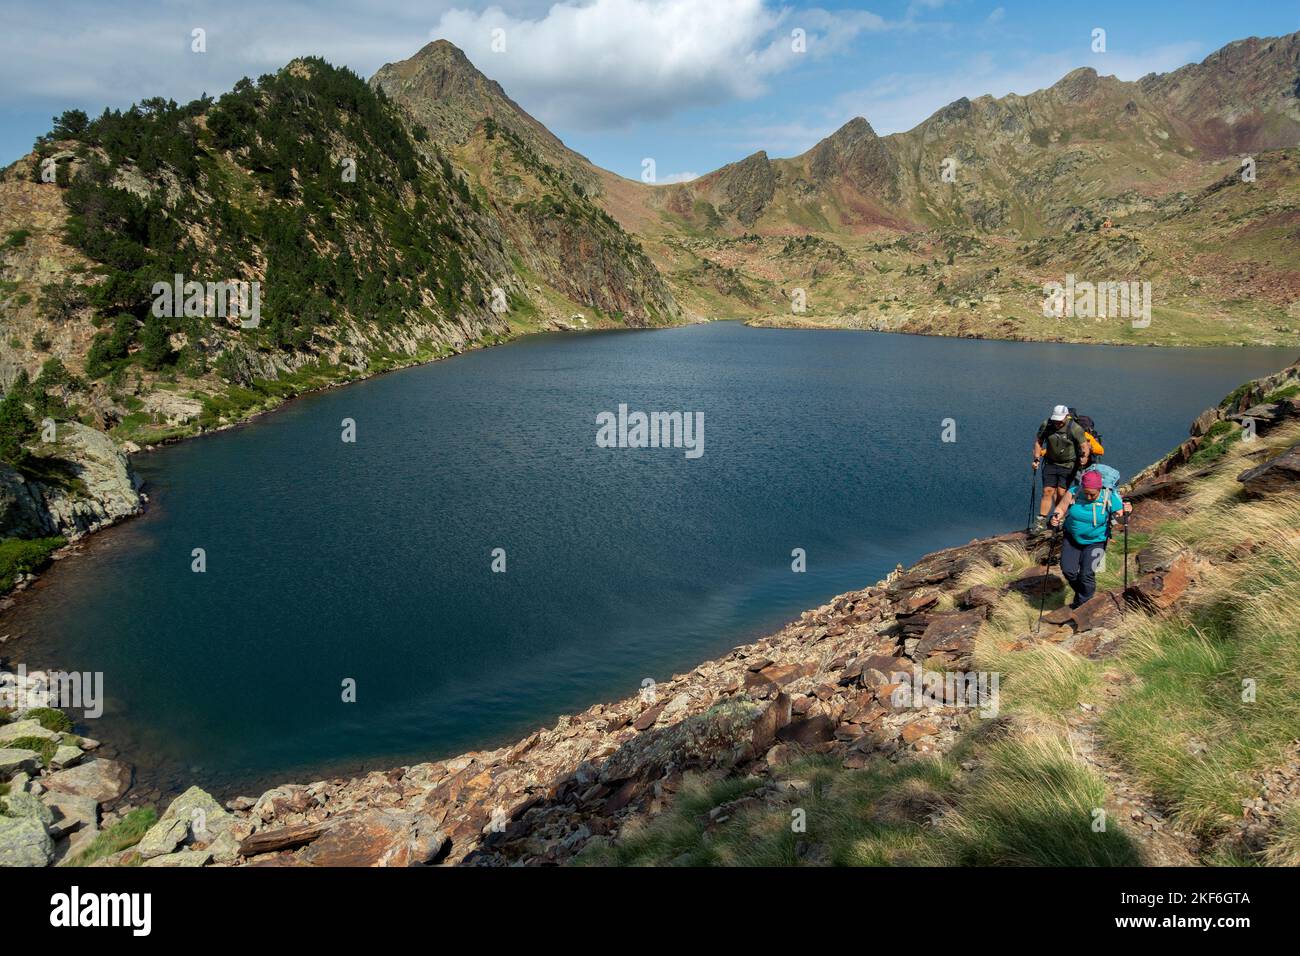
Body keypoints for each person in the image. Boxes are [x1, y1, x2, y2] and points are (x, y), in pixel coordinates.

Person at [1048, 468, 1132, 608]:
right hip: (1072, 538)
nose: (1088, 497)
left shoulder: (1110, 496)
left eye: (1092, 494)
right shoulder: (1074, 492)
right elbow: (1061, 509)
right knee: (1068, 570)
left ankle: (1083, 605)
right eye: (1086, 493)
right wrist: (1055, 518)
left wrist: (1128, 513)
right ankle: (1083, 595)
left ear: (1100, 488)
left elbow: (1121, 519)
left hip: (1097, 541)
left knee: (1087, 574)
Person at [1032, 404, 1090, 533]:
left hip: (1068, 465)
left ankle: (1058, 517)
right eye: (1055, 420)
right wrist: (1036, 458)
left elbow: (1084, 446)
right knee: (1047, 491)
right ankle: (1040, 522)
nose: (1057, 423)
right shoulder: (1046, 425)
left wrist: (1084, 459)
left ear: (1066, 417)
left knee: (1061, 492)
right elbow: (1038, 441)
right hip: (1051, 463)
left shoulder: (1074, 428)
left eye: (1059, 421)